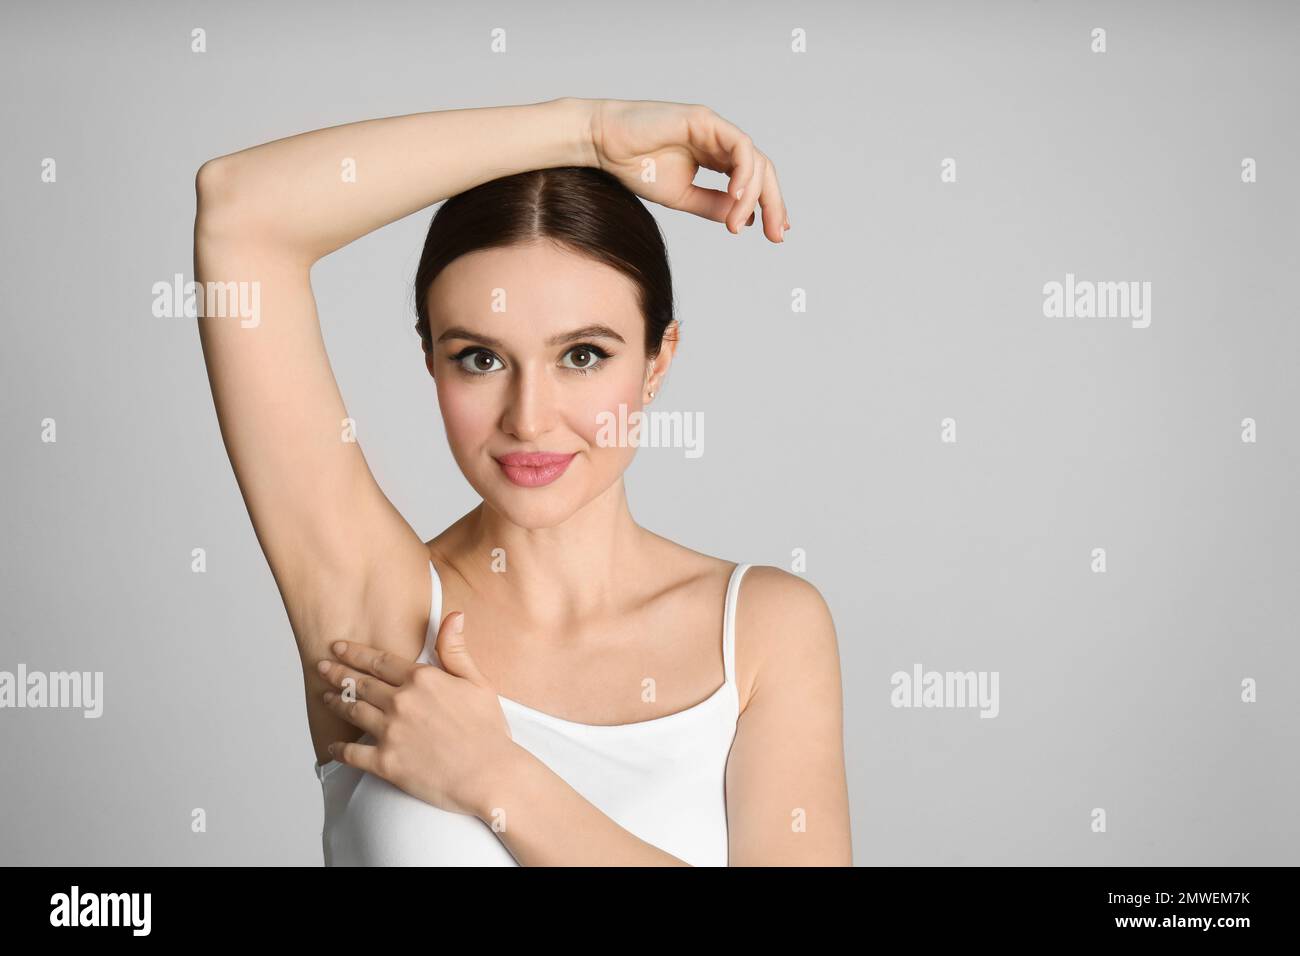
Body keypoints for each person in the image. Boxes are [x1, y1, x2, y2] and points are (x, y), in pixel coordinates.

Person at [194, 96, 851, 865]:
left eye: (582, 355)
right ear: (430, 359)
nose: (529, 419)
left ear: (657, 361)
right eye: (480, 357)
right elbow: (240, 212)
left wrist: (497, 778)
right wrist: (590, 133)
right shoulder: (378, 612)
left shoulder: (763, 632)